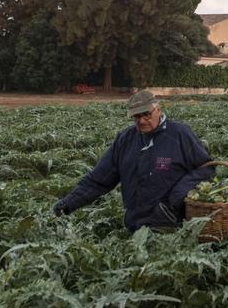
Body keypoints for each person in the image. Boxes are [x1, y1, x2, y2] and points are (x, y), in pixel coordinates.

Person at [52, 90, 214, 230]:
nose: (141, 120)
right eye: (136, 116)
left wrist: (173, 202)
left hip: (172, 224)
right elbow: (98, 180)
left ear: (158, 109)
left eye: (146, 114)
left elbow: (205, 169)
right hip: (134, 224)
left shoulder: (180, 134)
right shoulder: (125, 140)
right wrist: (68, 204)